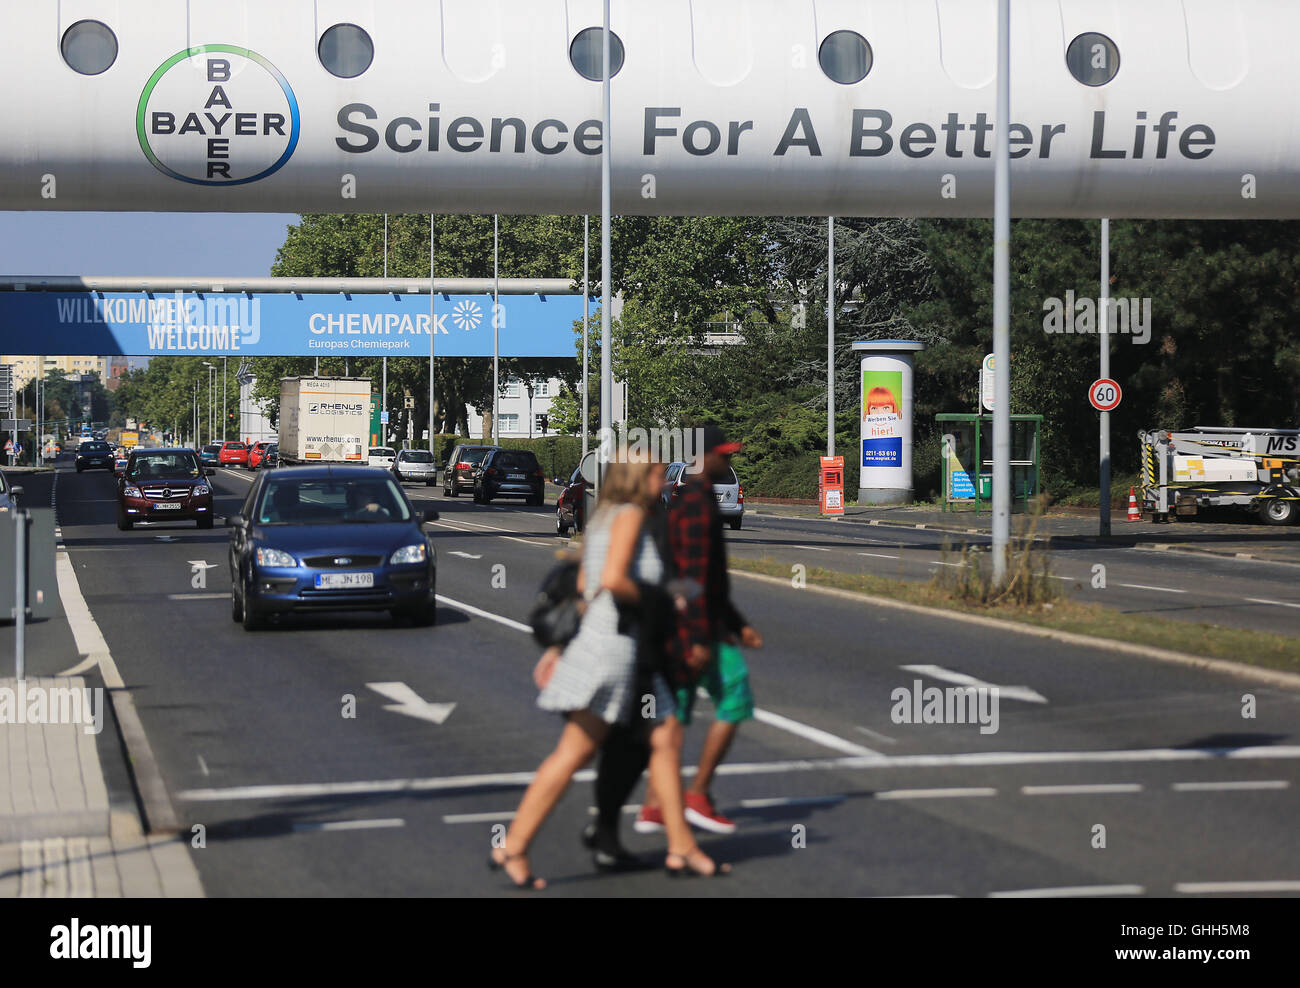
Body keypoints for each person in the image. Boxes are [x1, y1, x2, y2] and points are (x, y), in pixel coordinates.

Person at [492, 453, 726, 889]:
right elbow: (616, 580)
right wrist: (665, 599)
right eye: (657, 471)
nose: (664, 478)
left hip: (612, 646)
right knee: (576, 752)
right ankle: (514, 844)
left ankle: (681, 846)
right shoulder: (632, 515)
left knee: (664, 738)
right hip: (614, 651)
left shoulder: (603, 517)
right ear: (638, 478)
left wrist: (562, 646)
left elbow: (585, 585)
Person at [636, 424, 763, 836]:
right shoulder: (694, 503)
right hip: (691, 628)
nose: (729, 462)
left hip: (692, 625)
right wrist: (696, 637)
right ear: (701, 458)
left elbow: (707, 577)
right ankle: (697, 795)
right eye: (723, 455)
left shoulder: (700, 497)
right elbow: (689, 576)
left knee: (677, 714)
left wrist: (737, 624)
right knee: (735, 694)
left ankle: (656, 804)